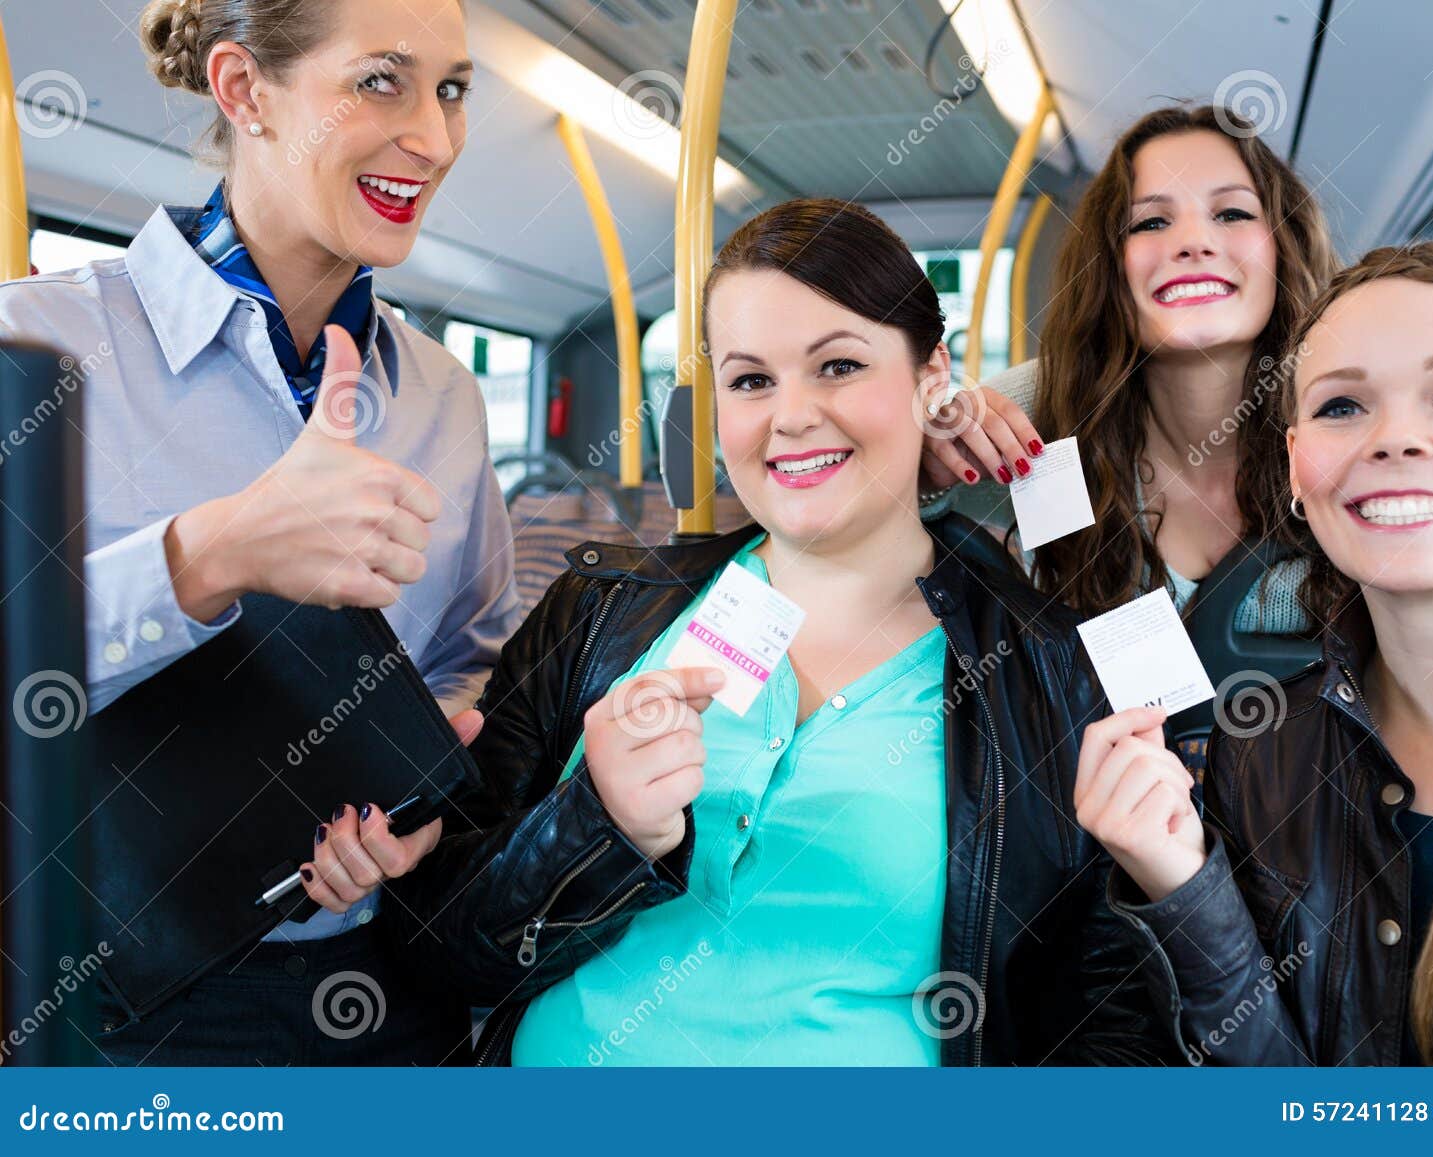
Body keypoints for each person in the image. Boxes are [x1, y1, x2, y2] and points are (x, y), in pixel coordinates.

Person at [391, 198, 1169, 1066]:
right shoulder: (599, 609)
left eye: (838, 365)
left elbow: (1110, 1021)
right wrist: (596, 825)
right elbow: (434, 947)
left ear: (930, 379)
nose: (790, 415)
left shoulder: (1052, 672)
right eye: (752, 380)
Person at [0, 0, 521, 1064]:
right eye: (382, 80)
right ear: (244, 90)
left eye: (453, 88)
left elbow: (469, 663)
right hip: (111, 1005)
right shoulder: (32, 346)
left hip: (383, 977)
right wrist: (213, 551)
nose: (434, 135)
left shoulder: (442, 396)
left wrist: (416, 812)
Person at [1079, 242, 1433, 1065]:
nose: (1395, 438)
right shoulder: (1257, 756)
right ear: (1295, 468)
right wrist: (1186, 887)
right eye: (1342, 407)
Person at [921, 105, 1337, 770]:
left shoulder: (1348, 413)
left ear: (1283, 245)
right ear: (1111, 270)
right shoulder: (1054, 410)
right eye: (1151, 222)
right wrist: (937, 448)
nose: (1194, 242)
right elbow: (889, 502)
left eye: (1231, 213)